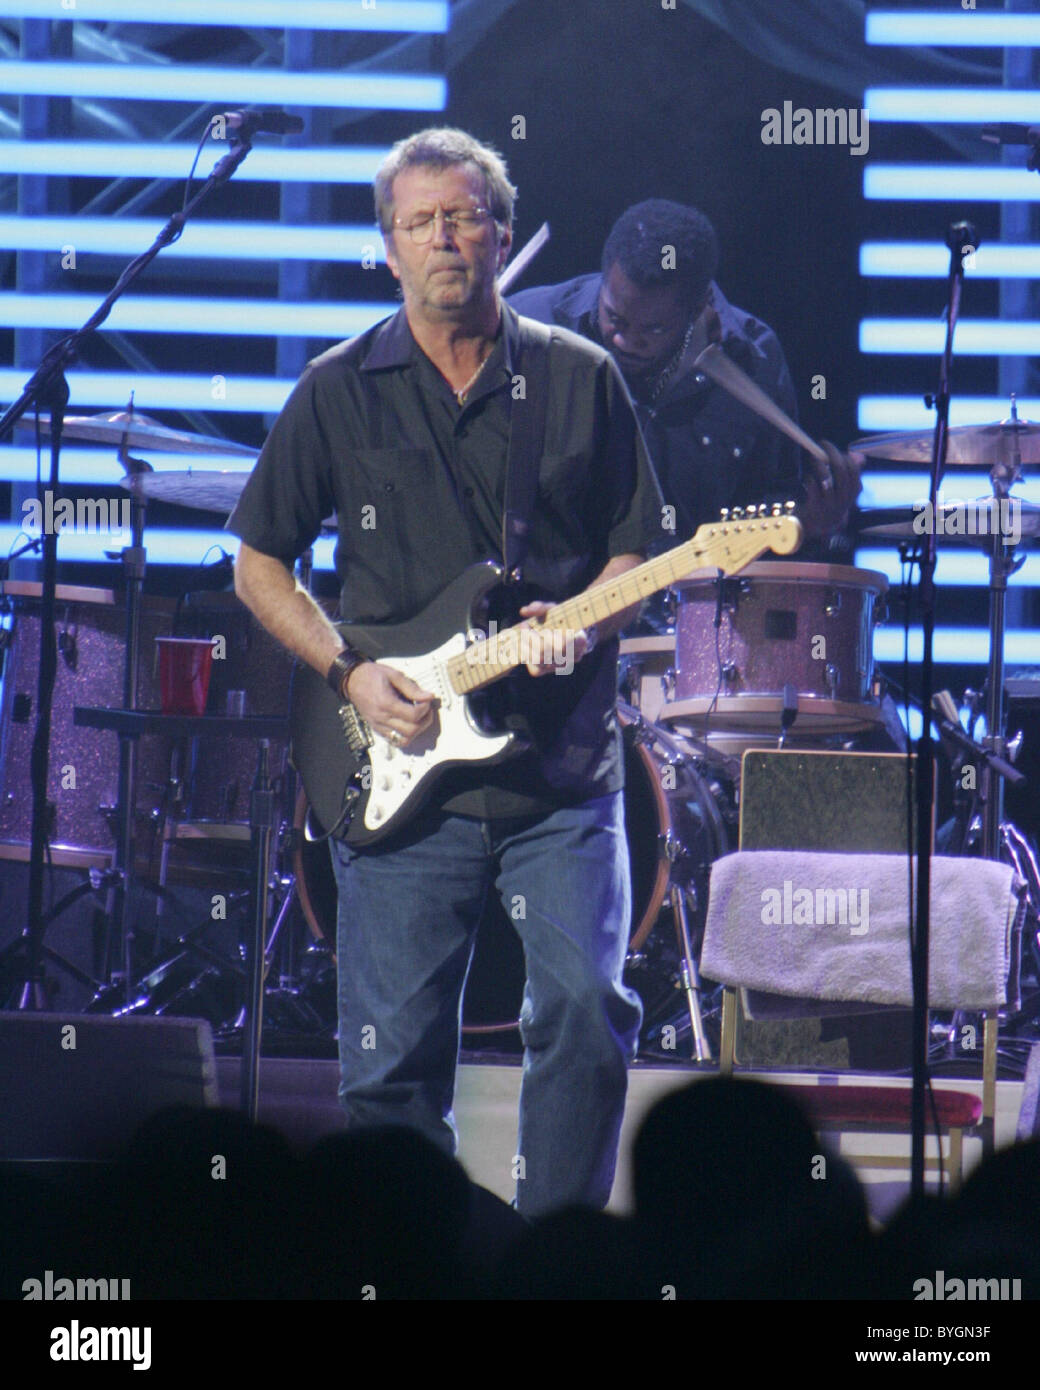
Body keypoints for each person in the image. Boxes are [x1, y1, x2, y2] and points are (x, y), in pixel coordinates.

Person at [228, 127, 664, 1217]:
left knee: (582, 1012)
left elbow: (638, 551)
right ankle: (409, 1262)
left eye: (462, 216)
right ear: (387, 249)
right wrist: (348, 673)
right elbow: (258, 562)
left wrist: (585, 615)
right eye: (418, 222)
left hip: (557, 770)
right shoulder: (338, 389)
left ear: (501, 233)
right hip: (400, 764)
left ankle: (553, 1261)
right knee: (388, 1067)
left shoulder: (579, 377)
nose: (443, 239)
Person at [510, 198, 861, 545]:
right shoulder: (529, 326)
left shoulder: (754, 359)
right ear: (605, 281)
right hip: (549, 592)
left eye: (654, 329)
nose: (627, 340)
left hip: (693, 593)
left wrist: (811, 522)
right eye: (614, 317)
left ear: (699, 307)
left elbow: (772, 500)